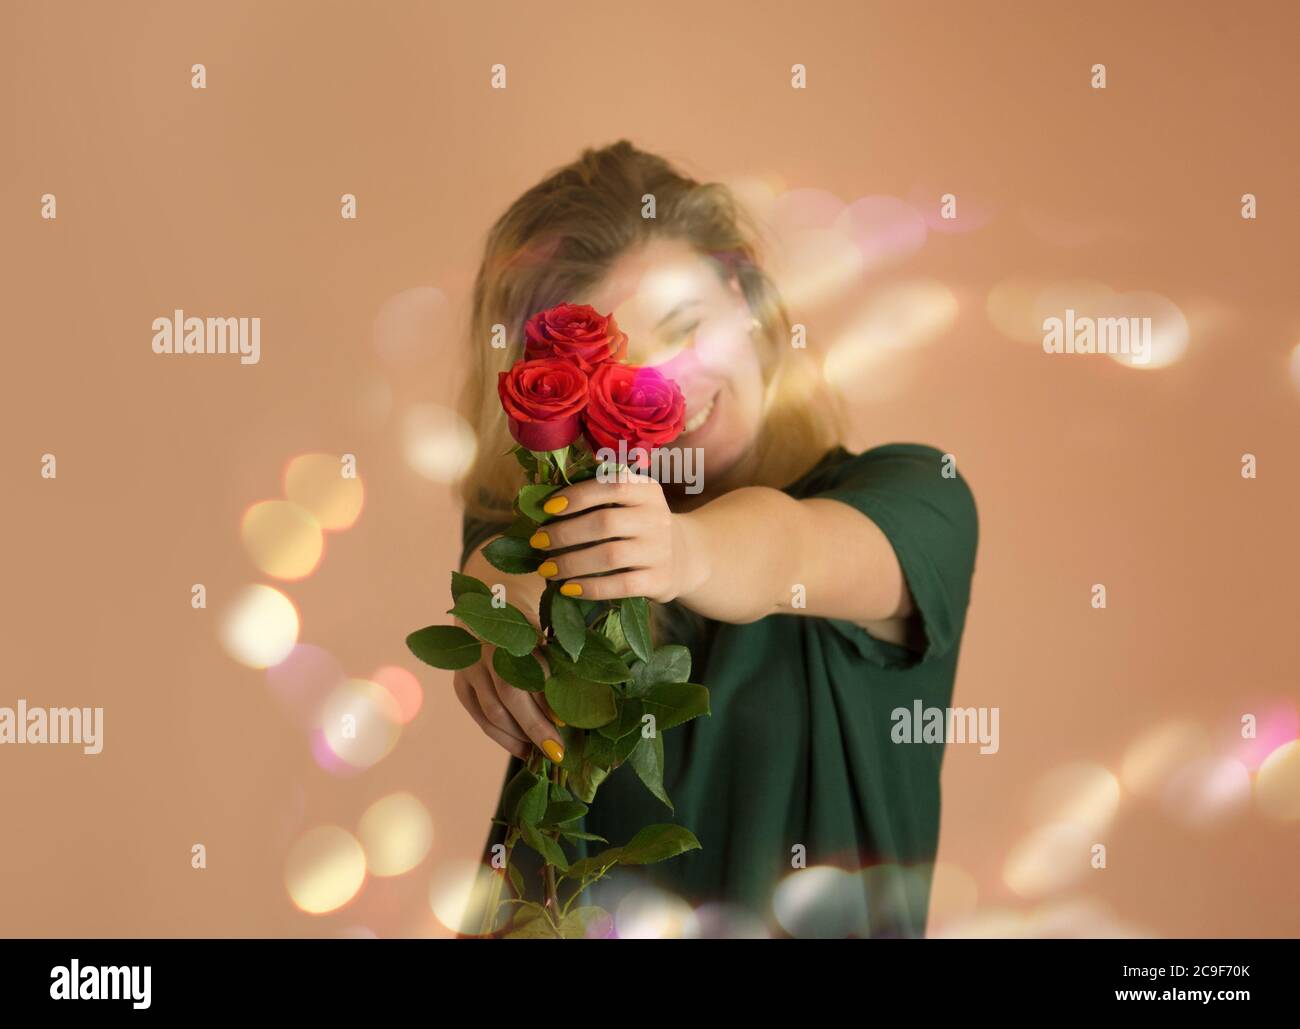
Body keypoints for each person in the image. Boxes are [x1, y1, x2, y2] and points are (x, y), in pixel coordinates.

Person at [453, 140, 978, 938]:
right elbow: (500, 567)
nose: (668, 384)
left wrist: (680, 553)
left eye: (686, 326)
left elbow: (787, 549)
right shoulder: (552, 521)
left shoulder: (917, 498)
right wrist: (505, 616)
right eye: (619, 368)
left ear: (743, 297)